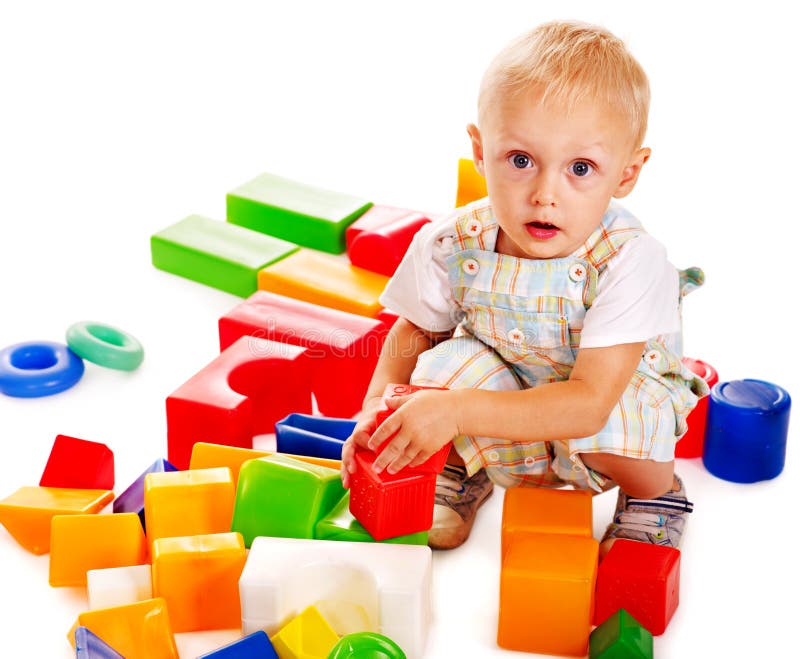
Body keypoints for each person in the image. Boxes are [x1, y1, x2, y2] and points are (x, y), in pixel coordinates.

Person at [340, 20, 708, 554]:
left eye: (580, 167)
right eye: (520, 160)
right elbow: (414, 331)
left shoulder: (632, 259)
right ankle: (462, 470)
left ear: (627, 173)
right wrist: (377, 408)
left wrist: (456, 412)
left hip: (598, 406)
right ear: (480, 149)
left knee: (627, 415)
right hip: (508, 395)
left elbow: (588, 405)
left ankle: (656, 495)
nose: (544, 194)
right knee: (436, 373)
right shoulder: (452, 241)